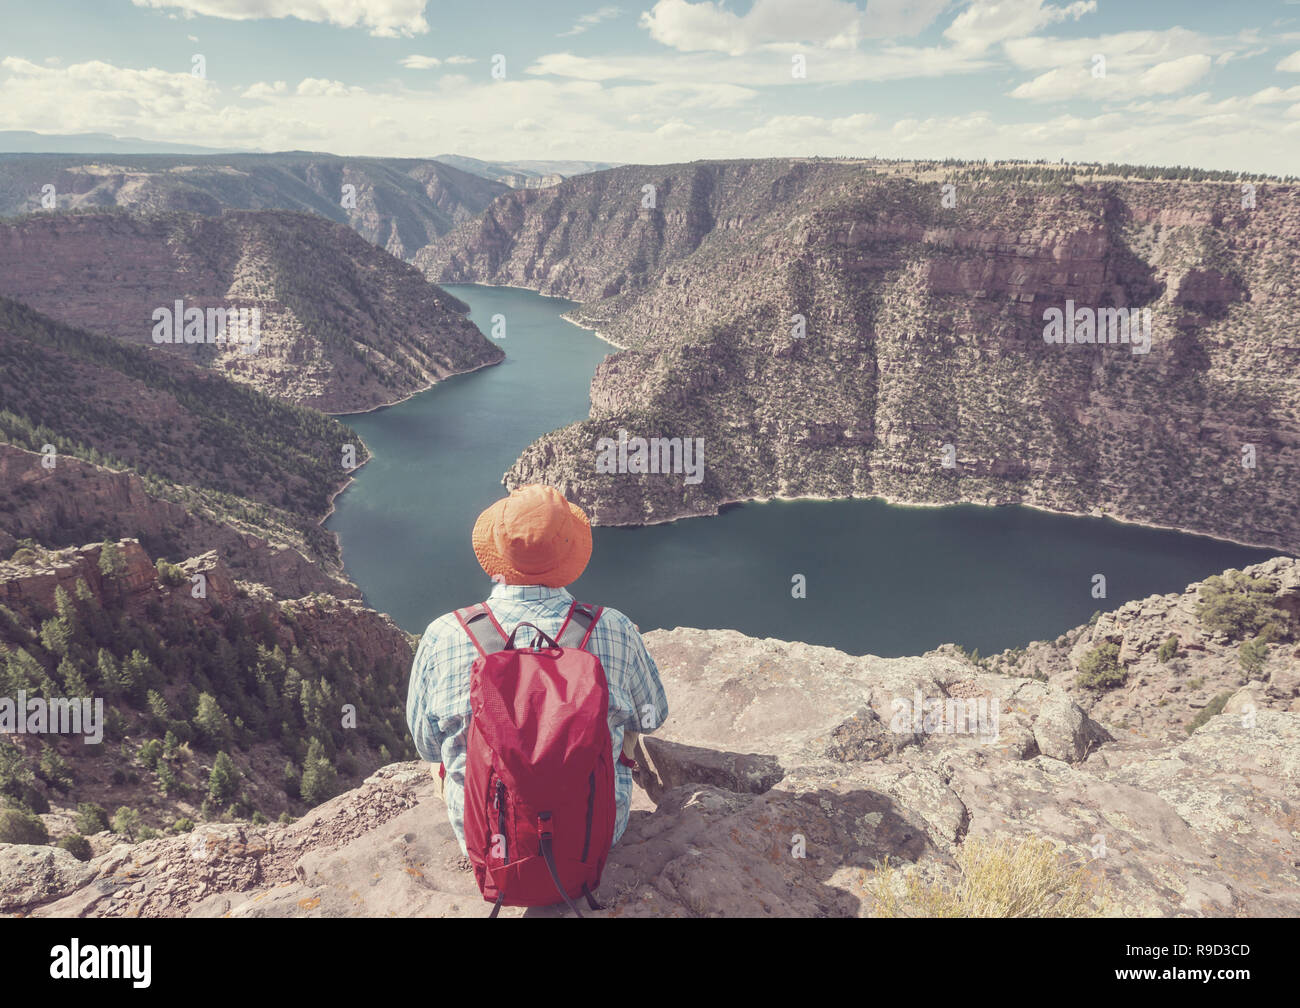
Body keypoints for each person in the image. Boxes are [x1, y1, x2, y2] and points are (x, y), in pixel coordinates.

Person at [406, 483, 669, 856]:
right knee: (622, 721)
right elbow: (651, 716)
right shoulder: (614, 627)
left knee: (442, 759)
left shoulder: (443, 634)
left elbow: (427, 744)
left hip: (490, 844)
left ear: (497, 552)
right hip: (592, 836)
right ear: (568, 553)